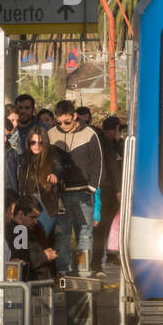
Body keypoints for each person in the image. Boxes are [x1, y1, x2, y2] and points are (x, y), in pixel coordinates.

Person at [48, 99, 103, 275]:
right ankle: (62, 276)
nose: (63, 126)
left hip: (83, 193)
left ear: (75, 116)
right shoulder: (50, 135)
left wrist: (92, 188)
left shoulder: (89, 134)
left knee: (84, 235)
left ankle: (82, 272)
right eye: (59, 123)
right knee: (62, 236)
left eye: (67, 122)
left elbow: (98, 163)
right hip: (60, 195)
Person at [18, 123, 66, 235]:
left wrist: (55, 175)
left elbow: (59, 167)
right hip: (28, 203)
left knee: (40, 238)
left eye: (40, 142)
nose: (36, 146)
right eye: (33, 142)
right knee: (26, 240)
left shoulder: (52, 153)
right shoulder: (24, 157)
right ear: (28, 142)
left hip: (46, 203)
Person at [92, 115, 124, 275]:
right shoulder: (102, 142)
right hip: (103, 190)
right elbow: (113, 166)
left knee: (112, 226)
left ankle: (110, 255)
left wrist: (119, 141)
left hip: (113, 191)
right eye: (118, 129)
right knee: (100, 226)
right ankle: (95, 262)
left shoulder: (119, 144)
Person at [10, 195, 59, 282]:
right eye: (32, 217)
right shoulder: (18, 230)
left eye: (36, 218)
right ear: (21, 214)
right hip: (30, 287)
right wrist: (44, 256)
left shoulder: (28, 229)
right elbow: (22, 260)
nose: (35, 222)